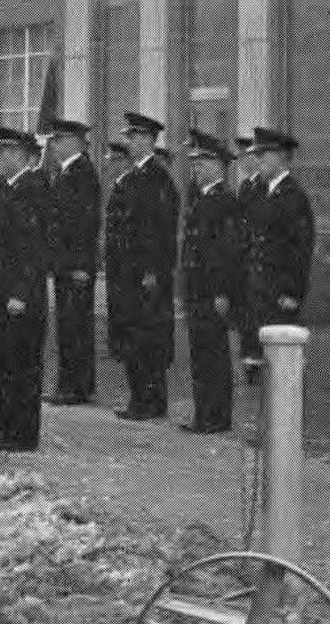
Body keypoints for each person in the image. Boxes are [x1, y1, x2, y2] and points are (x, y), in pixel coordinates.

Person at [0, 123, 50, 452]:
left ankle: (20, 435)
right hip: (0, 293)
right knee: (1, 365)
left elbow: (33, 248)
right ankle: (6, 430)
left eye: (3, 152)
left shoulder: (32, 189)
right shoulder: (8, 188)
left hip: (19, 298)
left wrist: (21, 293)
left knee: (19, 368)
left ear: (20, 156)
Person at [104, 111, 179, 421]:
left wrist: (152, 271)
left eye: (135, 137)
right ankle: (141, 398)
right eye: (129, 137)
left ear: (149, 140)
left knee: (148, 337)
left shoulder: (156, 179)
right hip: (126, 271)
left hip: (144, 274)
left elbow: (159, 230)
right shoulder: (134, 177)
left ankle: (150, 400)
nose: (130, 142)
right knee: (133, 335)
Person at [181, 129, 243, 432]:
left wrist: (221, 291)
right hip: (197, 289)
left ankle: (215, 416)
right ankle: (204, 413)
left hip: (211, 291)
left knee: (213, 355)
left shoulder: (224, 201)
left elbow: (226, 253)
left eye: (202, 164)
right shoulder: (202, 199)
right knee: (200, 354)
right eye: (194, 164)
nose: (197, 170)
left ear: (219, 166)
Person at [45, 118, 101, 406]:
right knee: (68, 326)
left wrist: (80, 264)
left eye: (60, 140)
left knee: (75, 326)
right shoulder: (69, 172)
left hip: (75, 265)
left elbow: (85, 223)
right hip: (65, 263)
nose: (54, 146)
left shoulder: (81, 173)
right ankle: (73, 384)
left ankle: (75, 387)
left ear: (76, 142)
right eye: (54, 140)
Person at [246, 126, 314, 336]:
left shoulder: (293, 196)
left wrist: (292, 292)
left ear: (281, 156)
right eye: (256, 155)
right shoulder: (258, 192)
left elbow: (301, 248)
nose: (257, 160)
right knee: (254, 358)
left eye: (262, 154)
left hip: (280, 293)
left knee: (279, 358)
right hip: (257, 289)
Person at [233, 135, 266, 379]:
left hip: (258, 259)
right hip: (243, 260)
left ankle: (257, 360)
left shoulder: (264, 187)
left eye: (247, 156)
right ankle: (248, 358)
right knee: (246, 313)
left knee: (257, 312)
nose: (243, 161)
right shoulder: (245, 186)